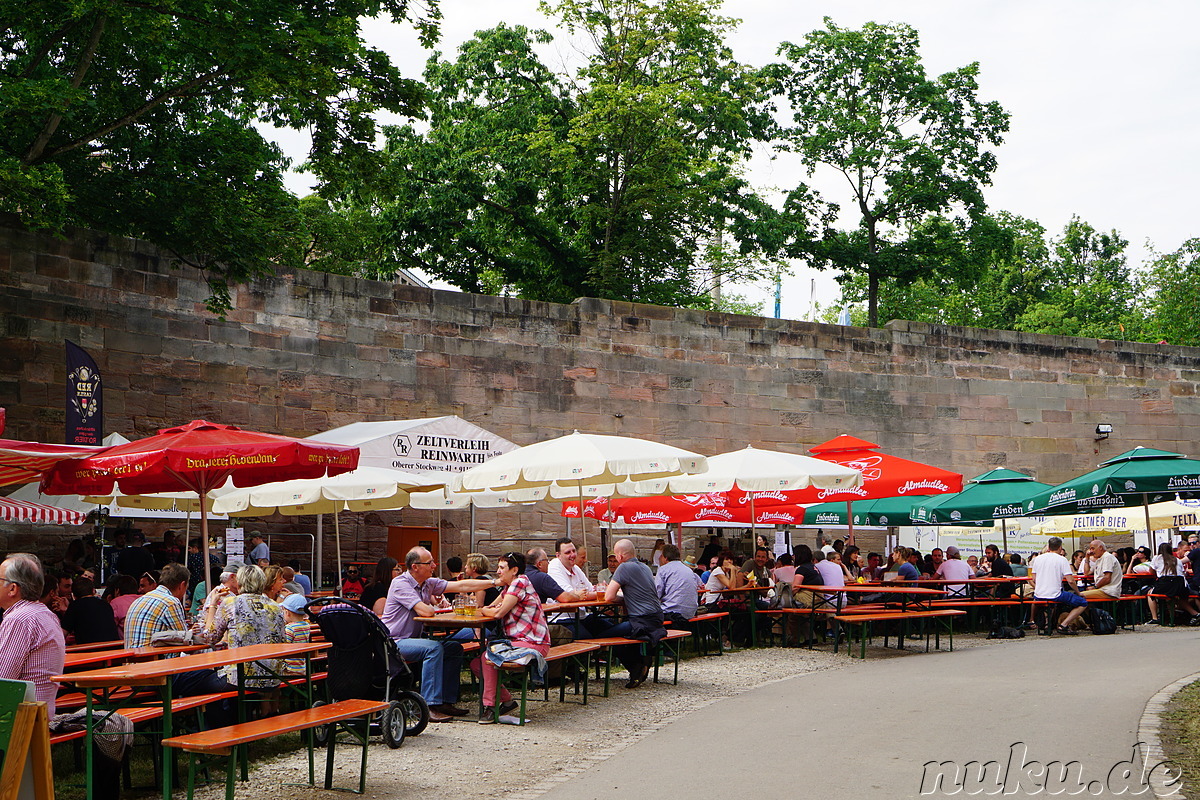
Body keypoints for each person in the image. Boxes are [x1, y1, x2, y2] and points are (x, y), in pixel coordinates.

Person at [380, 547, 496, 722]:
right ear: (415, 567)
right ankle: (428, 706)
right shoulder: (401, 584)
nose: (434, 566)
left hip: (413, 639)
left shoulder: (427, 583)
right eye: (430, 563)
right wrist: (432, 607)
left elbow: (462, 585)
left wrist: (495, 583)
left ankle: (445, 701)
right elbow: (426, 612)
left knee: (453, 648)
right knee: (433, 648)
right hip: (393, 642)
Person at [124, 563, 237, 717]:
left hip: (131, 674)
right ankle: (213, 727)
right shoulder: (170, 602)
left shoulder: (140, 600)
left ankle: (196, 722)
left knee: (202, 676)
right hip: (155, 676)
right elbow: (188, 644)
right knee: (214, 678)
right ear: (183, 585)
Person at [475, 552, 550, 723]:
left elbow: (497, 612)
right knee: (478, 663)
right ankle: (506, 701)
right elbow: (491, 607)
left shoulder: (520, 582)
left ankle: (490, 707)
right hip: (517, 641)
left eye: (502, 568)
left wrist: (487, 610)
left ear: (514, 570)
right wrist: (488, 609)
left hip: (534, 643)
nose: (498, 572)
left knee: (488, 657)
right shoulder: (510, 586)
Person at [0, 553, 66, 713]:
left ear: (13, 588)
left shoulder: (18, 619)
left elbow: (3, 680)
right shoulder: (45, 614)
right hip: (39, 713)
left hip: (19, 718)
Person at [205, 565, 286, 688]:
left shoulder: (231, 603)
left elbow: (211, 637)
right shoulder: (276, 607)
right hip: (272, 678)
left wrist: (212, 605)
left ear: (240, 583)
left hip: (240, 678)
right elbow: (282, 640)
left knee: (189, 680)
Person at [602, 538, 664, 689]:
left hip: (641, 621)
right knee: (615, 629)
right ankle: (641, 662)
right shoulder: (645, 568)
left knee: (607, 636)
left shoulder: (623, 568)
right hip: (657, 618)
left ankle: (636, 667)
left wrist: (622, 599)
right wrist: (627, 598)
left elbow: (608, 597)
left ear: (621, 556)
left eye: (616, 556)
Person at [1029, 537, 1087, 634]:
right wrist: (1078, 592)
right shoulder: (1062, 560)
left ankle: (1048, 624)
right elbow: (1071, 581)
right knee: (1083, 603)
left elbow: (1034, 578)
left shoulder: (1037, 559)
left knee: (1050, 603)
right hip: (1055, 594)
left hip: (1038, 594)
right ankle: (1063, 625)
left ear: (1049, 546)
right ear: (1060, 547)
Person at [1147, 542, 1200, 625]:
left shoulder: (1157, 558)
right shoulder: (1176, 559)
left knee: (1150, 594)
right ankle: (1195, 613)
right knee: (1176, 597)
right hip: (1180, 584)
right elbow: (1183, 573)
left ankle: (1155, 618)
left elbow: (1151, 571)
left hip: (1166, 582)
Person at [62, 576, 119, 644]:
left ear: (73, 596)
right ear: (93, 591)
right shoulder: (106, 605)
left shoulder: (75, 606)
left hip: (90, 651)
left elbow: (62, 634)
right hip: (114, 648)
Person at [656, 544, 701, 625]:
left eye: (661, 556)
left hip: (672, 611)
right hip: (690, 612)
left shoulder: (663, 570)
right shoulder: (688, 570)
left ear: (665, 557)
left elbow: (656, 594)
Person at [279, 592, 312, 675]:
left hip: (289, 669)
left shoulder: (290, 628)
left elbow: (283, 646)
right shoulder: (306, 625)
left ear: (287, 613)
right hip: (301, 667)